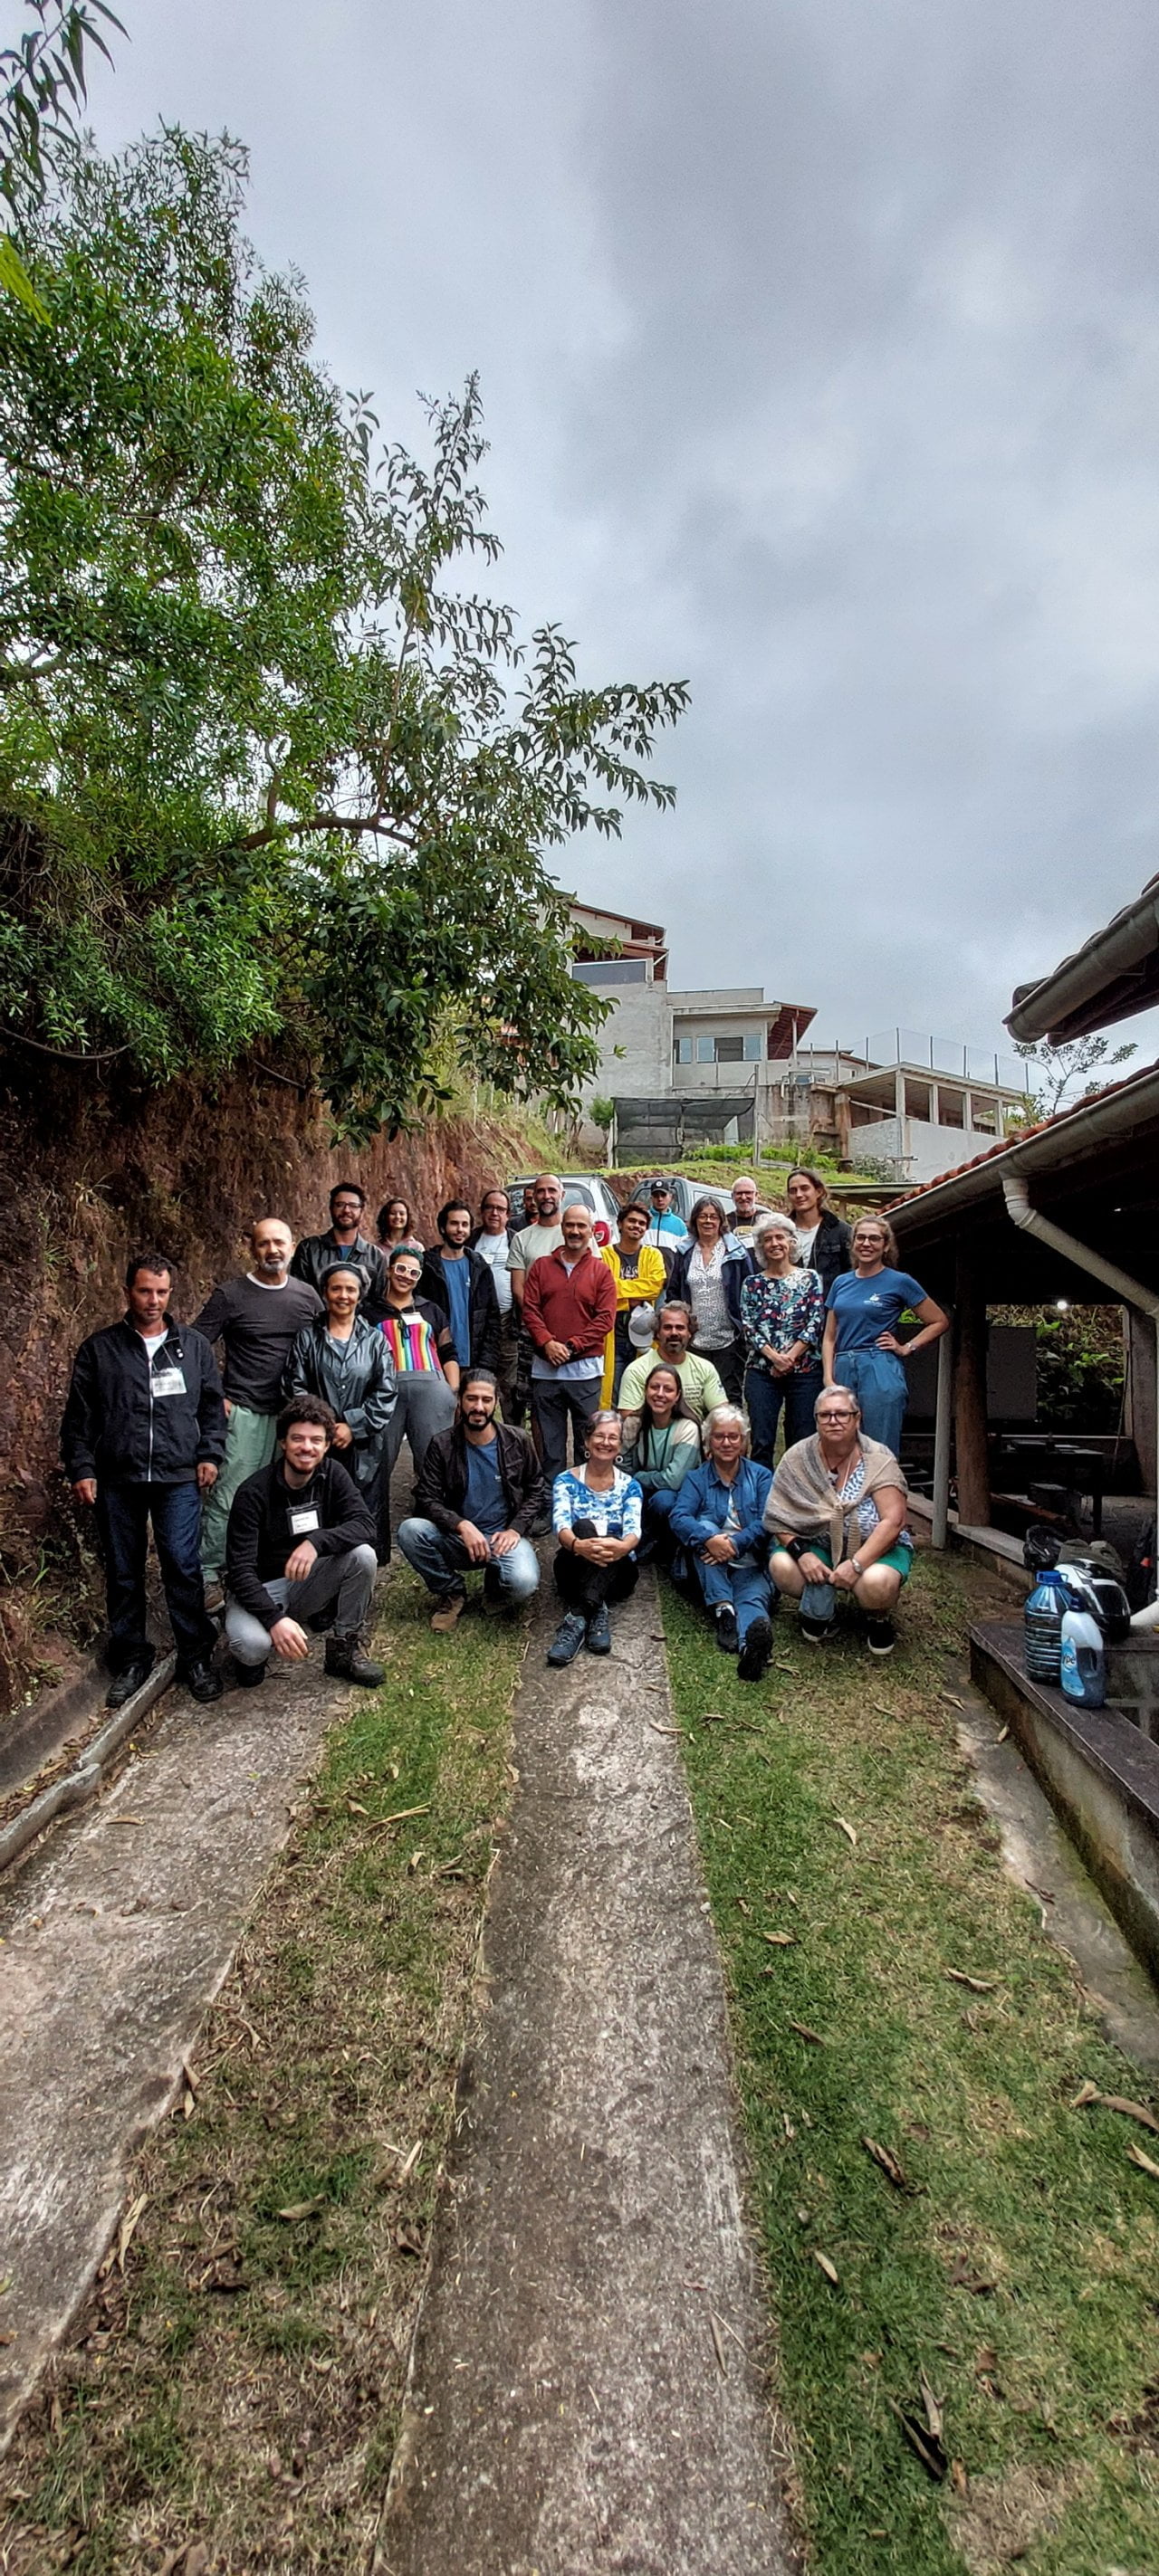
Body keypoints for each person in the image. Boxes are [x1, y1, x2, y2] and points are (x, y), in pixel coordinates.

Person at [62, 1254, 226, 1706]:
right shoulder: (100, 1349)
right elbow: (79, 1418)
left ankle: (195, 1656)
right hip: (118, 1476)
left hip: (178, 1475)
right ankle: (132, 1657)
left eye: (161, 1292)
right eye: (144, 1291)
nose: (153, 1300)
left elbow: (212, 1409)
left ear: (170, 1293)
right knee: (123, 1571)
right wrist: (83, 1468)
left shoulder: (193, 1347)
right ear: (128, 1292)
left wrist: (210, 1454)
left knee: (182, 1564)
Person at [194, 1218, 323, 1589]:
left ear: (293, 1247)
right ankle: (209, 1573)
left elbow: (326, 1344)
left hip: (293, 1415)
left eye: (279, 1242)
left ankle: (269, 1570)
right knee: (232, 1494)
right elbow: (193, 1345)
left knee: (287, 1494)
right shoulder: (231, 1295)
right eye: (264, 1243)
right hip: (245, 1411)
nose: (273, 1250)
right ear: (252, 1248)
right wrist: (214, 1396)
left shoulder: (307, 1297)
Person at [225, 1395, 383, 1686]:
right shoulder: (253, 1493)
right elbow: (240, 1571)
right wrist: (274, 1619)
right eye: (297, 1438)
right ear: (283, 1443)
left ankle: (344, 1648)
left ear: (326, 1445)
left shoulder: (333, 1474)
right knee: (252, 1647)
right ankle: (257, 1647)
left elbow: (365, 1525)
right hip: (260, 1587)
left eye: (316, 1440)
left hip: (305, 1583)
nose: (307, 1447)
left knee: (363, 1556)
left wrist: (316, 1542)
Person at [765, 1387, 913, 1655]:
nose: (833, 1421)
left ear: (857, 1418)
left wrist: (856, 1565)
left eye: (842, 1414)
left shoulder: (878, 1458)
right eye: (825, 1415)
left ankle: (877, 1617)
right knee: (782, 1565)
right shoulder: (798, 1457)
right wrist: (802, 1554)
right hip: (819, 1543)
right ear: (816, 1420)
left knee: (876, 1584)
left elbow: (894, 1521)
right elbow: (778, 1517)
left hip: (876, 1549)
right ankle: (823, 1606)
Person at [398, 1368, 545, 1631]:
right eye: (472, 1399)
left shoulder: (518, 1440)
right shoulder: (442, 1444)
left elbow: (536, 1489)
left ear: (496, 1402)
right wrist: (461, 1525)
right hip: (459, 1538)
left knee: (523, 1582)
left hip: (503, 1538)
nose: (478, 1407)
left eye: (486, 1400)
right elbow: (427, 1497)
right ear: (460, 1400)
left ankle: (495, 1588)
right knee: (410, 1531)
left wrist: (515, 1529)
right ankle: (452, 1592)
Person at [282, 1265, 397, 1552]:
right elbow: (294, 1385)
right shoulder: (308, 1338)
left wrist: (354, 1426)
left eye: (350, 1289)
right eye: (336, 1288)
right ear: (325, 1293)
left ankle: (363, 1569)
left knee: (363, 1513)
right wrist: (325, 1427)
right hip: (316, 1442)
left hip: (364, 1446)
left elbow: (386, 1391)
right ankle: (315, 1569)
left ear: (360, 1295)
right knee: (317, 1508)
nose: (343, 1295)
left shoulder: (375, 1341)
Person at [822, 1216, 949, 1455]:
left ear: (886, 1245)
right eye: (861, 1238)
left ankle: (883, 1481)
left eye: (874, 1239)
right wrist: (828, 1378)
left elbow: (938, 1321)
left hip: (878, 1365)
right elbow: (829, 1337)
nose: (866, 1244)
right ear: (853, 1243)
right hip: (843, 1366)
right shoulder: (841, 1282)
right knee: (840, 1446)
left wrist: (907, 1347)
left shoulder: (899, 1282)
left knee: (879, 1448)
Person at [669, 1407, 774, 1683]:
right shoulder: (696, 1478)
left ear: (744, 1440)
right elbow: (679, 1517)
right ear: (708, 1441)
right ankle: (724, 1609)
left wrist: (735, 1544)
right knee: (704, 1527)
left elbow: (768, 1520)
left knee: (752, 1600)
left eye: (733, 1436)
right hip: (708, 1564)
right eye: (719, 1437)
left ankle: (750, 1651)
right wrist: (710, 1540)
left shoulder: (761, 1476)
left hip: (749, 1560)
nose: (726, 1443)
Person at [523, 1201, 618, 1487]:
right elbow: (530, 1310)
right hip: (545, 1371)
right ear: (562, 1228)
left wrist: (573, 1346)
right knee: (550, 1446)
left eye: (581, 1226)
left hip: (585, 1372)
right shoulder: (541, 1267)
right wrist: (546, 1343)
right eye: (570, 1225)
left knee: (586, 1442)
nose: (575, 1231)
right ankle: (551, 1499)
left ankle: (584, 1496)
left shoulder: (601, 1272)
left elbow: (605, 1319)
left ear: (591, 1231)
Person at [376, 1246, 460, 1554]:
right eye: (400, 1269)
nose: (406, 1276)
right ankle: (374, 1534)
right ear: (389, 1270)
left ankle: (435, 1528)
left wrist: (452, 1389)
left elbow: (448, 1351)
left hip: (431, 1387)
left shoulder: (431, 1309)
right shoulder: (370, 1310)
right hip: (385, 1390)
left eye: (413, 1272)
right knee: (379, 1458)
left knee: (433, 1459)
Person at [548, 1409, 642, 1666]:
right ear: (587, 1441)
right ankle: (597, 1607)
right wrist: (579, 1545)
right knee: (583, 1526)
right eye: (599, 1436)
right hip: (572, 1568)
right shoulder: (565, 1481)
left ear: (620, 1445)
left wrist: (619, 1546)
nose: (605, 1442)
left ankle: (578, 1616)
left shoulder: (630, 1486)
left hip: (619, 1573)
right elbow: (561, 1526)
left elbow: (633, 1531)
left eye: (613, 1437)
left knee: (611, 1537)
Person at [740, 1215, 825, 1466]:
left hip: (805, 1370)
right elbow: (749, 1326)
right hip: (762, 1371)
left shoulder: (810, 1278)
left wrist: (790, 1357)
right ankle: (762, 1488)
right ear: (761, 1246)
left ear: (791, 1242)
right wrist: (775, 1358)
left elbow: (816, 1320)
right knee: (762, 1440)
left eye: (780, 1237)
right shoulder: (752, 1284)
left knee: (803, 1440)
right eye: (768, 1239)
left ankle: (797, 1489)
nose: (775, 1243)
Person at [664, 1197, 753, 1402]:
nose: (708, 1221)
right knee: (693, 1397)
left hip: (729, 1339)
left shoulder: (736, 1252)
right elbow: (673, 1292)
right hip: (693, 1340)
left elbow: (749, 1292)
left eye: (713, 1217)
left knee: (729, 1397)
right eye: (703, 1216)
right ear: (695, 1220)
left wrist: (744, 1329)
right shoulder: (684, 1252)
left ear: (721, 1221)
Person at [618, 1363, 700, 1559]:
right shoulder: (633, 1423)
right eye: (655, 1387)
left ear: (677, 1396)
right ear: (646, 1390)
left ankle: (663, 1544)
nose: (660, 1394)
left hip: (677, 1495)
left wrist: (639, 1477)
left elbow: (674, 1480)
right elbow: (623, 1469)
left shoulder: (687, 1428)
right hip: (643, 1489)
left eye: (668, 1389)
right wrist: (634, 1481)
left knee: (663, 1500)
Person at [508, 1174, 565, 1432]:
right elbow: (518, 1289)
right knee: (536, 1404)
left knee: (574, 1403)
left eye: (552, 1190)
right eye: (541, 1191)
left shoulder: (576, 1232)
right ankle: (539, 1457)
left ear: (562, 1194)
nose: (546, 1196)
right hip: (532, 1333)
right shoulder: (522, 1239)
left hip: (571, 1334)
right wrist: (541, 1330)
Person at [420, 1199, 501, 1375]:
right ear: (443, 1228)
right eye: (454, 1223)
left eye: (465, 1225)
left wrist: (486, 1364)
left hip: (474, 1361)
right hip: (435, 1361)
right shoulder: (427, 1267)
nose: (460, 1230)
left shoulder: (480, 1267)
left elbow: (492, 1317)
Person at [599, 1200, 667, 1402]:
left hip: (644, 1338)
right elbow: (602, 1289)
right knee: (613, 1396)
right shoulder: (604, 1255)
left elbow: (655, 1286)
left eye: (641, 1223)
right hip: (614, 1338)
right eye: (632, 1221)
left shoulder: (653, 1255)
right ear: (620, 1224)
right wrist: (629, 1301)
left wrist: (618, 1291)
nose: (636, 1226)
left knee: (641, 1395)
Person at [617, 1302, 729, 1424]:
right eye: (667, 1327)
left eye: (680, 1328)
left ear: (690, 1333)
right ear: (657, 1333)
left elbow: (722, 1413)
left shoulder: (705, 1368)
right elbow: (628, 1417)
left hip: (695, 1433)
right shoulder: (636, 1370)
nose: (674, 1333)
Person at [290, 1182, 387, 1311]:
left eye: (353, 1206)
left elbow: (377, 1301)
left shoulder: (375, 1256)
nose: (346, 1210)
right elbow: (299, 1294)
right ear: (331, 1208)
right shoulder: (308, 1249)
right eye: (340, 1205)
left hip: (360, 1322)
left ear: (362, 1212)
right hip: (316, 1321)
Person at [470, 1187, 519, 1419]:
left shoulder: (516, 1240)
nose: (494, 1213)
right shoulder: (470, 1240)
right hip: (477, 1322)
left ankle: (512, 1431)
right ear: (481, 1211)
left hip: (508, 1320)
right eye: (489, 1207)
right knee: (478, 1378)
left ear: (508, 1214)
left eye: (500, 1209)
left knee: (511, 1384)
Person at [785, 1168, 852, 1298]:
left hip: (830, 1305)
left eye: (804, 1188)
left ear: (819, 1192)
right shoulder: (782, 1232)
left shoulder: (840, 1231)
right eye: (793, 1191)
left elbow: (852, 1273)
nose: (799, 1195)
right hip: (791, 1304)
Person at [640, 1178, 686, 1250]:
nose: (660, 1199)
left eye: (663, 1195)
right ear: (651, 1198)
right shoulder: (642, 1219)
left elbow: (684, 1251)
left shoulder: (679, 1225)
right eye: (656, 1196)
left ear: (670, 1197)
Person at [376, 1196, 425, 1262]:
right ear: (386, 1216)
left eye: (402, 1214)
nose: (397, 1217)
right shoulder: (377, 1248)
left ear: (408, 1217)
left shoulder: (417, 1247)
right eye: (393, 1213)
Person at [729, 1174, 771, 1247]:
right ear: (732, 1196)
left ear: (756, 1195)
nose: (743, 1197)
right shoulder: (724, 1222)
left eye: (748, 1193)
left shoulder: (768, 1220)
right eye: (739, 1193)